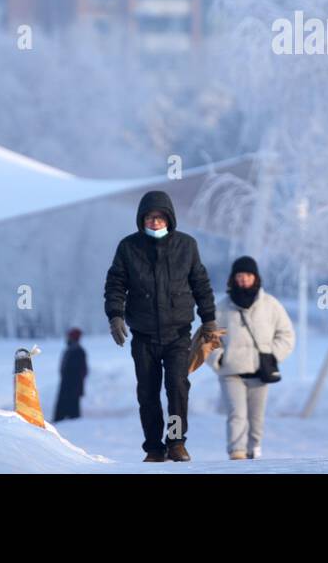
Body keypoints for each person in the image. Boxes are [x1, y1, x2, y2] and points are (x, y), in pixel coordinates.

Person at [104, 189, 217, 462]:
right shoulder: (128, 248)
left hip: (177, 333)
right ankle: (154, 447)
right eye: (149, 217)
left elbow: (200, 283)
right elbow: (115, 284)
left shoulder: (186, 246)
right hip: (143, 335)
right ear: (141, 219)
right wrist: (115, 315)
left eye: (160, 217)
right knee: (147, 392)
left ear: (169, 218)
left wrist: (209, 318)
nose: (155, 222)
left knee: (177, 388)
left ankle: (176, 442)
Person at [209, 256, 295, 460]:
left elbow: (287, 334)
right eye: (239, 275)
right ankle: (237, 452)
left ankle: (254, 449)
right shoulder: (221, 308)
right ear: (233, 279)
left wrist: (272, 356)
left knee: (256, 418)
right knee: (236, 414)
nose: (243, 280)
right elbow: (208, 338)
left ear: (255, 277)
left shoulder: (271, 305)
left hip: (260, 371)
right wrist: (219, 358)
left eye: (248, 275)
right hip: (231, 371)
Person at [53, 328, 89, 422]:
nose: (67, 338)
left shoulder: (78, 351)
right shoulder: (70, 350)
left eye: (69, 337)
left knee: (72, 411)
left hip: (72, 386)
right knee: (67, 407)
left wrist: (76, 383)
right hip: (67, 385)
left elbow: (82, 371)